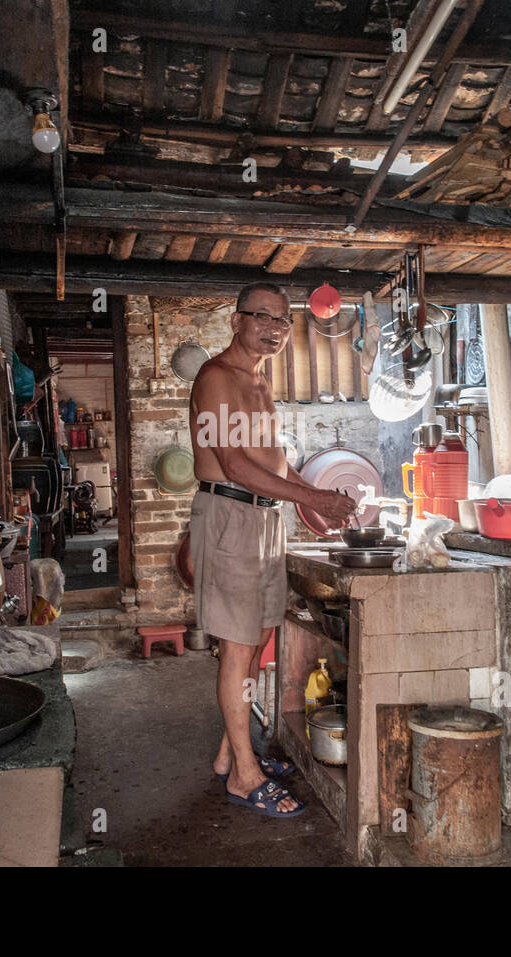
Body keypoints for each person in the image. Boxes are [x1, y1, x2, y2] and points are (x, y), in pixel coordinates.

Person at [188, 281, 357, 818]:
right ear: (235, 321)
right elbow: (235, 466)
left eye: (284, 321)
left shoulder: (259, 383)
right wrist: (314, 498)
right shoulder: (215, 376)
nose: (275, 329)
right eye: (262, 317)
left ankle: (229, 753)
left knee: (258, 639)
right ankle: (243, 775)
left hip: (265, 520)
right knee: (237, 649)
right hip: (230, 516)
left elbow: (269, 466)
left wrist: (311, 505)